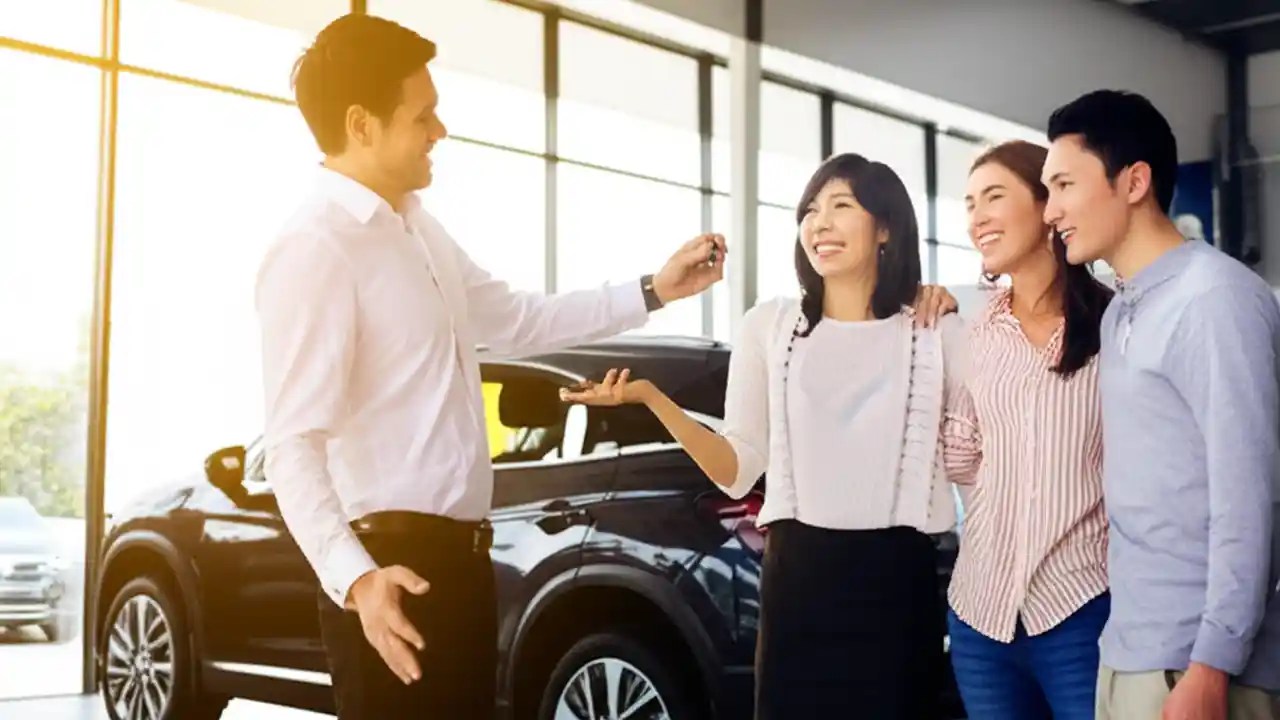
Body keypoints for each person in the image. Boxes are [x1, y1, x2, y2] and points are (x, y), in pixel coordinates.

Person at [255, 13, 726, 720]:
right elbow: (293, 447)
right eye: (423, 114)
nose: (439, 130)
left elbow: (520, 319)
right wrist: (357, 582)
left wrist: (654, 289)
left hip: (465, 560)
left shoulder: (416, 228)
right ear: (361, 124)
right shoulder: (315, 248)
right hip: (393, 571)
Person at [561, 152, 968, 719]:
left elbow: (992, 419)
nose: (819, 223)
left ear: (886, 228)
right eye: (810, 210)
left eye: (841, 206)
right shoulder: (772, 326)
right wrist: (655, 400)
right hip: (798, 579)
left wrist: (956, 298)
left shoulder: (935, 329)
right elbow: (737, 469)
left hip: (898, 584)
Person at [1042, 89, 1280, 720]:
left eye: (1064, 184)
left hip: (1196, 667)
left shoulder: (1215, 299)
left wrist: (1212, 664)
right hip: (1130, 652)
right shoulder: (1124, 305)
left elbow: (1249, 495)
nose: (1051, 210)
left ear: (1134, 181)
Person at [941, 140, 1113, 719]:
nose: (977, 217)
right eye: (969, 204)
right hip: (980, 620)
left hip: (1083, 610)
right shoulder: (971, 332)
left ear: (1047, 208)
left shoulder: (1116, 324)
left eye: (994, 197)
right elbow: (960, 460)